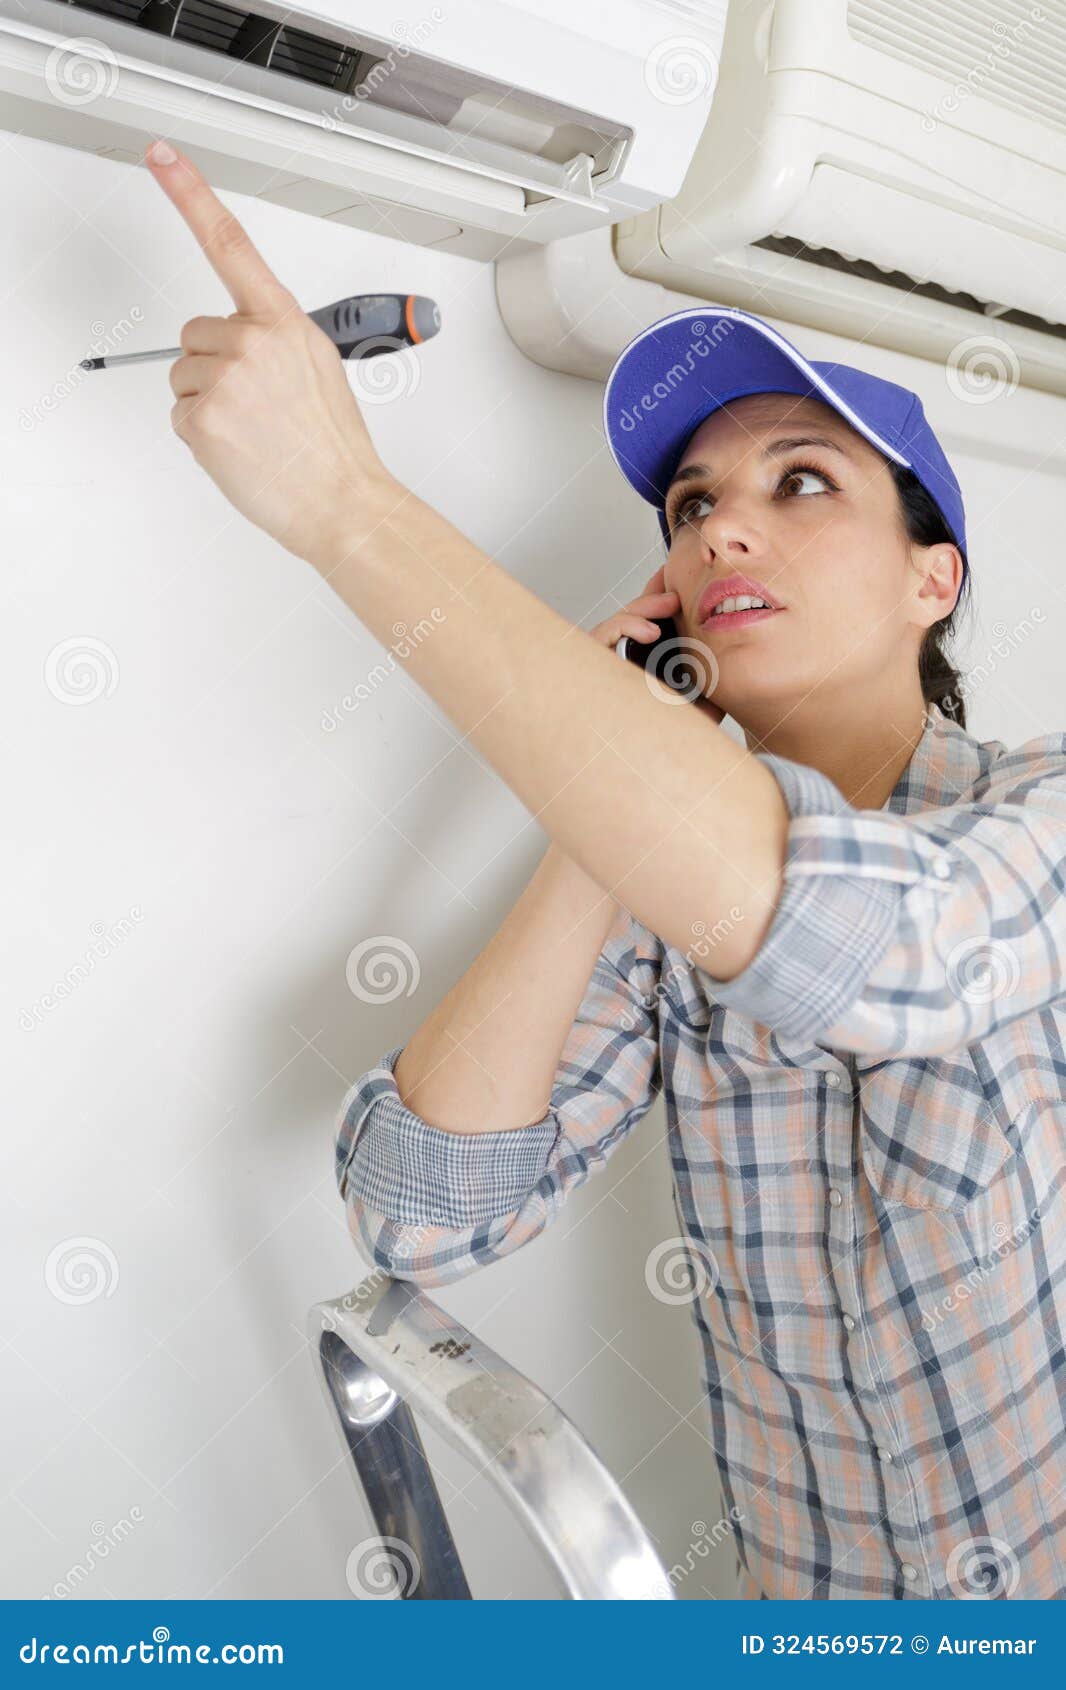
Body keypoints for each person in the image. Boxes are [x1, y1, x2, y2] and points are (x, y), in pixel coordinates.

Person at [144, 140, 1066, 1601]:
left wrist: (347, 506)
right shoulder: (653, 911)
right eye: (691, 506)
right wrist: (596, 789)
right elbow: (423, 1214)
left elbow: (901, 956)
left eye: (800, 479)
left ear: (928, 578)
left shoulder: (1038, 813)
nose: (725, 527)